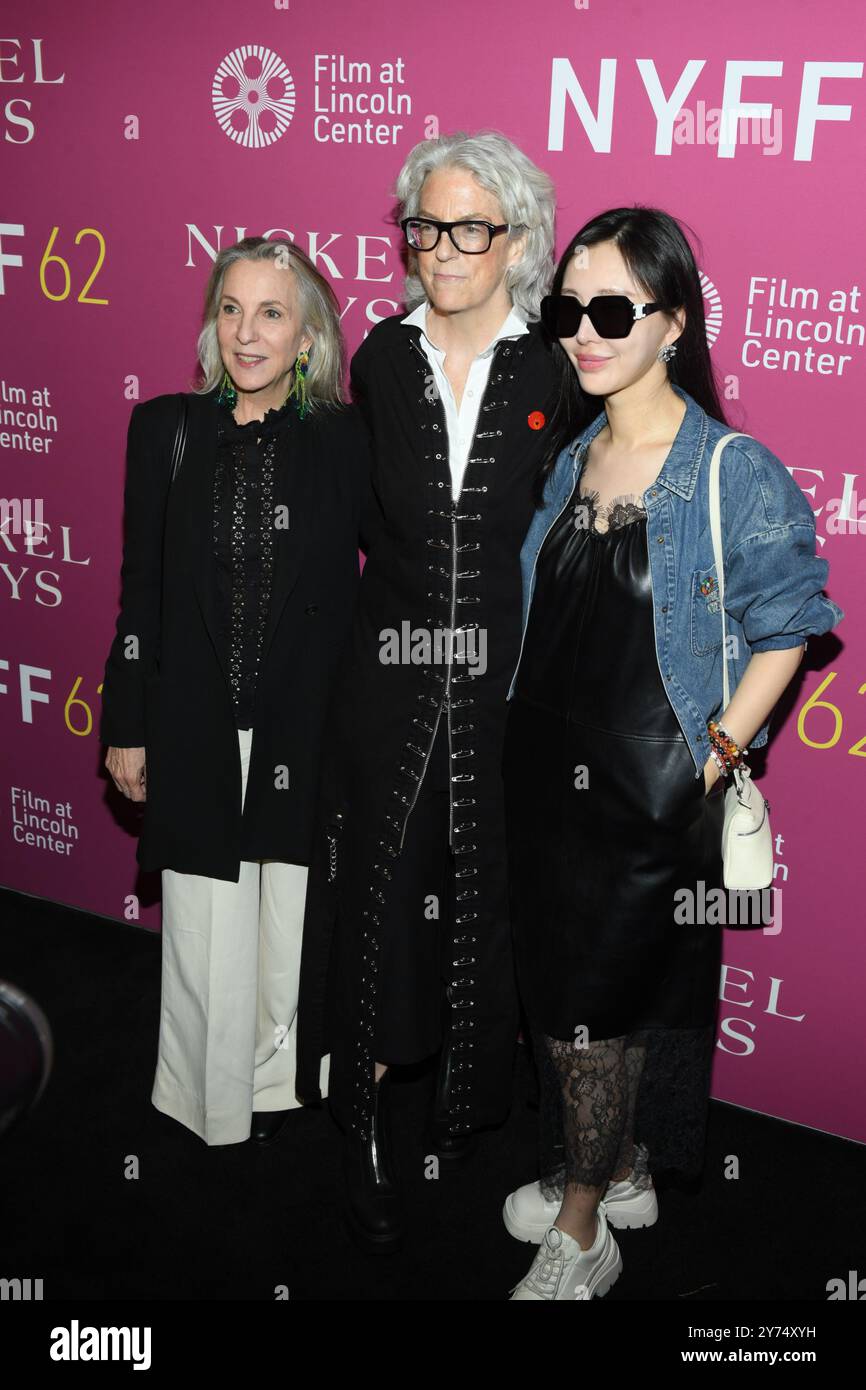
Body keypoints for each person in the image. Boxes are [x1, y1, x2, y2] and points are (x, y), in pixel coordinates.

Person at [500, 206, 844, 1300]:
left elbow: (789, 626)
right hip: (546, 785)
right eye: (568, 309)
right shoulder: (570, 455)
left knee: (590, 1019)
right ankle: (622, 1168)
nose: (586, 331)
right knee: (565, 1004)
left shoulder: (728, 469)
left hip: (651, 798)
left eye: (613, 309)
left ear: (672, 322)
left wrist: (711, 757)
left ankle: (583, 1224)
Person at [295, 130, 560, 1251]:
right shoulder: (379, 359)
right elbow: (345, 520)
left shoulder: (555, 367)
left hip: (503, 689)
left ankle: (468, 1113)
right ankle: (359, 1126)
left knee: (489, 899)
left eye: (467, 229)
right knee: (376, 904)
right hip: (386, 683)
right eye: (422, 227)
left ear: (516, 240)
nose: (439, 251)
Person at [100, 236, 368, 1147]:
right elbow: (141, 589)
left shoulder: (343, 441)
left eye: (271, 314)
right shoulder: (164, 429)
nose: (246, 335)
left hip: (304, 724)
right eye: (229, 309)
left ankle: (278, 1084)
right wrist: (128, 721)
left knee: (289, 917)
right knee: (205, 922)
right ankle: (205, 1098)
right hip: (195, 721)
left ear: (307, 339)